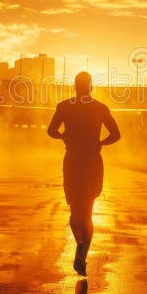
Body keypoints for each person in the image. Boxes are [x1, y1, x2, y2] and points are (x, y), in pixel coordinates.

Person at [48, 71, 121, 276]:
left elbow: (51, 131)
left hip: (72, 160)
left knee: (75, 209)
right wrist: (100, 142)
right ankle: (82, 252)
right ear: (90, 87)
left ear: (74, 87)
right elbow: (116, 134)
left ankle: (80, 244)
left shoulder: (64, 106)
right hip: (92, 160)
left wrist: (64, 136)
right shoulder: (99, 108)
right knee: (87, 209)